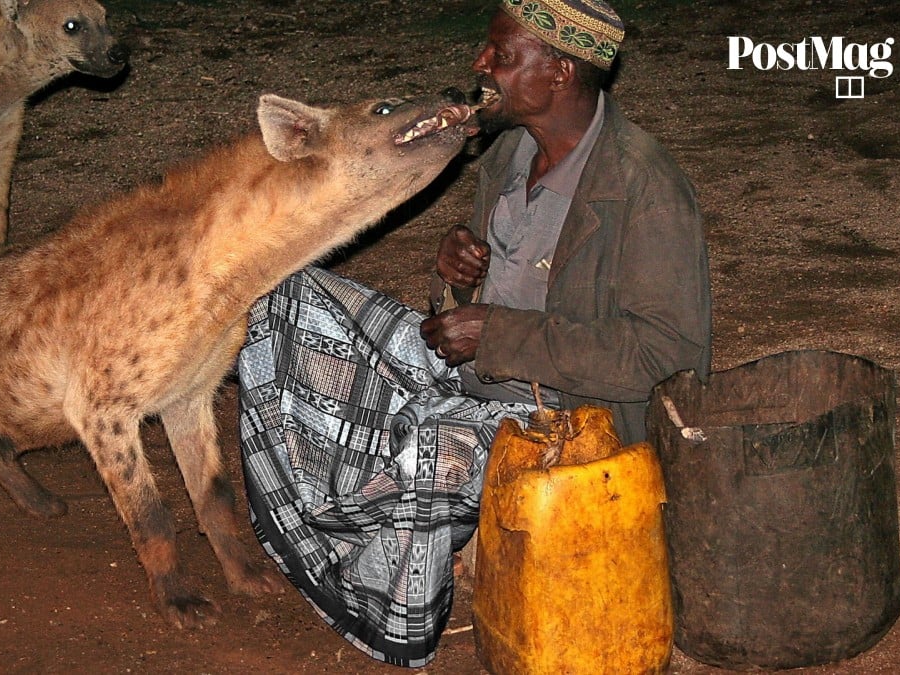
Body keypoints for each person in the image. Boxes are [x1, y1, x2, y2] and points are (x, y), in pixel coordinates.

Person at [236, 0, 711, 667]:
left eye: (503, 55)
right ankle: (324, 524)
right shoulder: (512, 154)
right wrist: (455, 281)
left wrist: (498, 333)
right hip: (474, 372)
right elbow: (481, 306)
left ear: (559, 73)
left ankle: (392, 607)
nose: (480, 65)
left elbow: (668, 356)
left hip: (566, 418)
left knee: (431, 448)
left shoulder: (644, 188)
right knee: (286, 294)